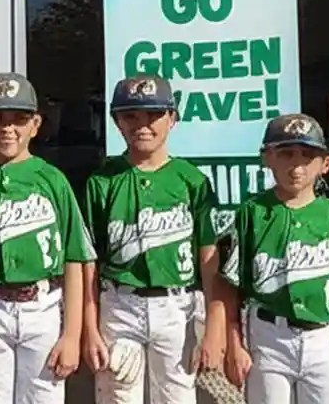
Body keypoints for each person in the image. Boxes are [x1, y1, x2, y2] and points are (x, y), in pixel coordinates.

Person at [0, 72, 94, 404]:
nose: (7, 128)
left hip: (44, 307)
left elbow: (75, 259)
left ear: (36, 124)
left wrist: (72, 334)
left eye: (19, 119)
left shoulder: (52, 179)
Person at [82, 74, 225, 404]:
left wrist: (215, 324)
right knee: (117, 397)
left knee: (176, 397)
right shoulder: (102, 181)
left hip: (177, 306)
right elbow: (89, 262)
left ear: (172, 118)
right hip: (120, 304)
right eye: (131, 115)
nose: (142, 124)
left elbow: (208, 258)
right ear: (117, 122)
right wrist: (90, 327)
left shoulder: (191, 180)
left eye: (153, 114)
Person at [221, 113, 329, 403]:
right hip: (269, 336)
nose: (297, 165)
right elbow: (231, 287)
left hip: (323, 339)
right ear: (267, 158)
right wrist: (234, 344)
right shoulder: (251, 213)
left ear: (325, 163)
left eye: (307, 155)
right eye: (286, 153)